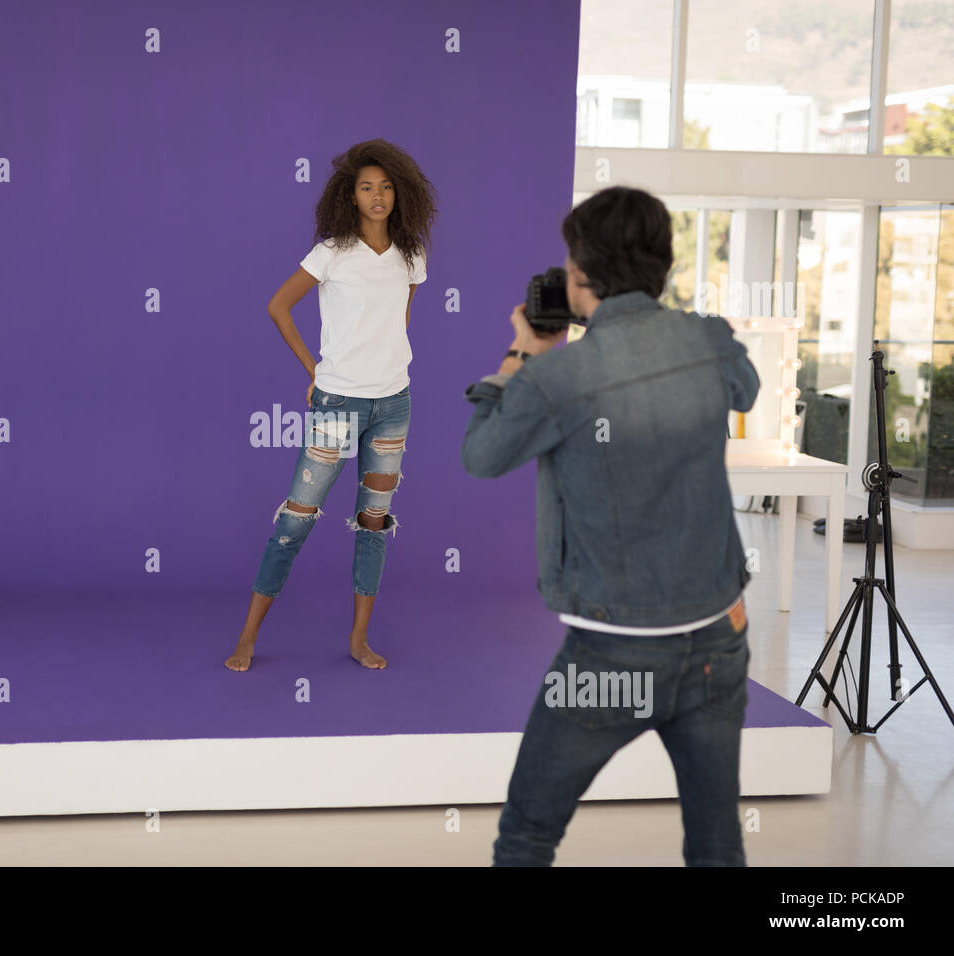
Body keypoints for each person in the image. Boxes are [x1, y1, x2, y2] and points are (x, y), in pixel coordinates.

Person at [460, 186, 761, 866]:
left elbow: (481, 458)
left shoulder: (559, 377)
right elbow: (744, 390)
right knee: (716, 842)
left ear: (581, 277)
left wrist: (524, 351)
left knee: (529, 834)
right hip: (719, 635)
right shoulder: (708, 341)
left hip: (613, 654)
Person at [225, 139, 437, 672]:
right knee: (296, 519)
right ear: (350, 195)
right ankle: (247, 638)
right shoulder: (332, 251)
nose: (378, 196)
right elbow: (278, 306)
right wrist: (316, 372)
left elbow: (399, 320)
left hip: (393, 402)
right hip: (338, 402)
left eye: (386, 186)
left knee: (374, 521)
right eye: (367, 187)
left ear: (400, 192)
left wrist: (380, 364)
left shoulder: (411, 255)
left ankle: (359, 639)